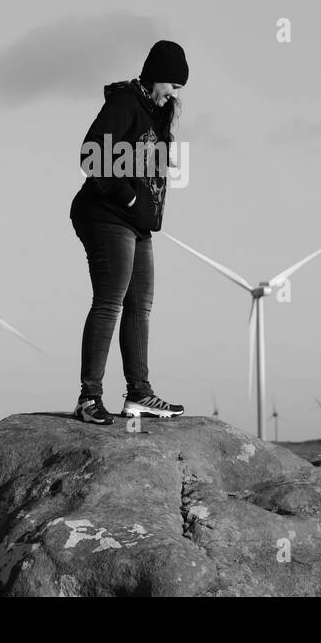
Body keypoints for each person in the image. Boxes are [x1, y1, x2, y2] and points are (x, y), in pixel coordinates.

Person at [69, 40, 188, 425]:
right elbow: (90, 155)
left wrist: (145, 210)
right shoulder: (125, 104)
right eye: (173, 83)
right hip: (105, 214)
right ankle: (89, 398)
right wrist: (130, 199)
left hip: (137, 225)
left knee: (141, 305)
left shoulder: (158, 114)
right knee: (110, 301)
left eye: (181, 88)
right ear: (156, 75)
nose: (176, 93)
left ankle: (139, 394)